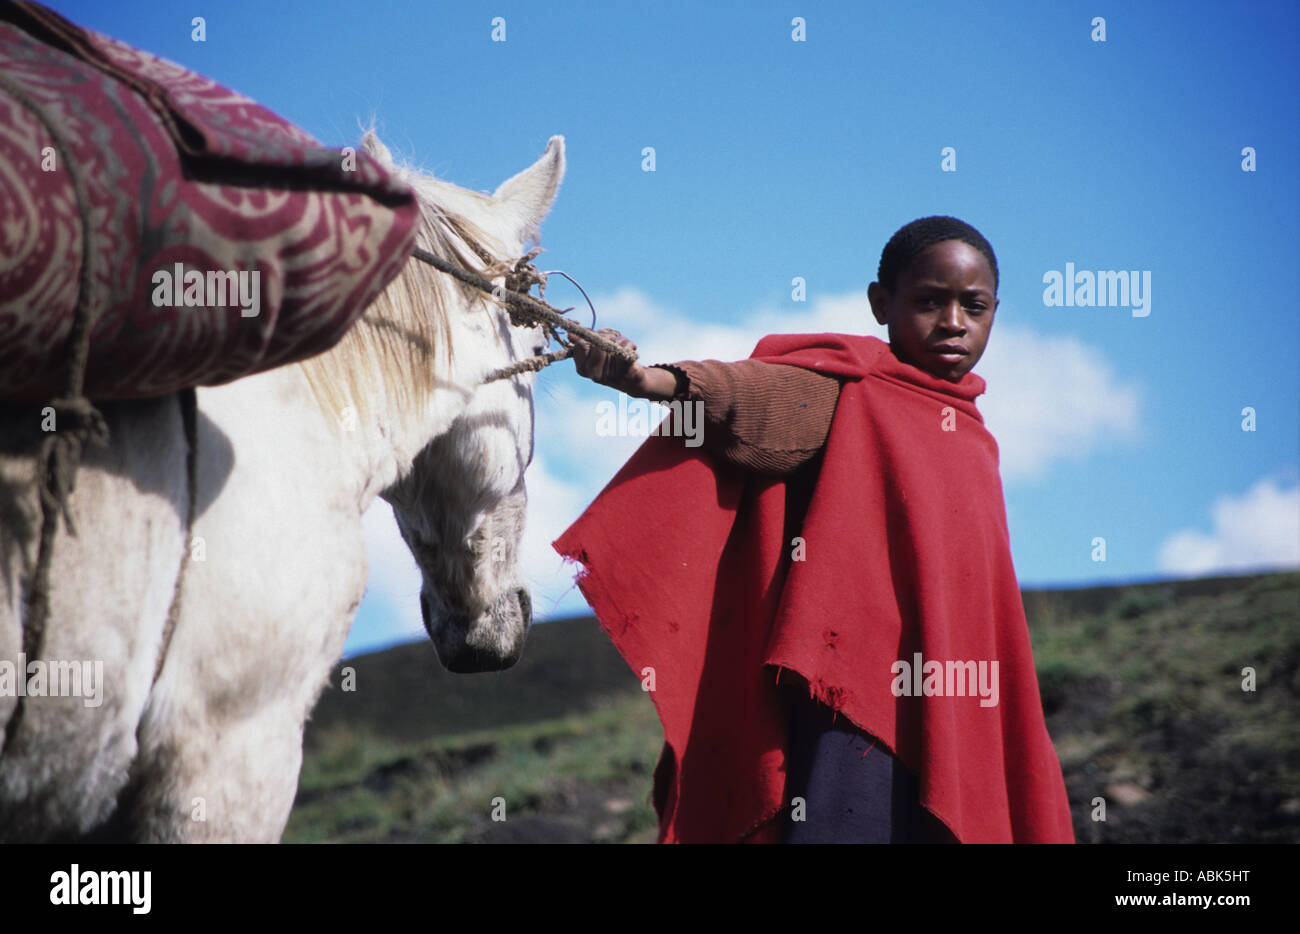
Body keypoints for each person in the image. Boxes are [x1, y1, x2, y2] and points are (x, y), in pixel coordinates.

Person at [557, 216, 1075, 844]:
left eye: (974, 306)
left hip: (959, 709)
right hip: (850, 707)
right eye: (928, 301)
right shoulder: (844, 390)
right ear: (881, 304)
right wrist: (642, 380)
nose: (953, 323)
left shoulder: (972, 438)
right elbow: (748, 396)